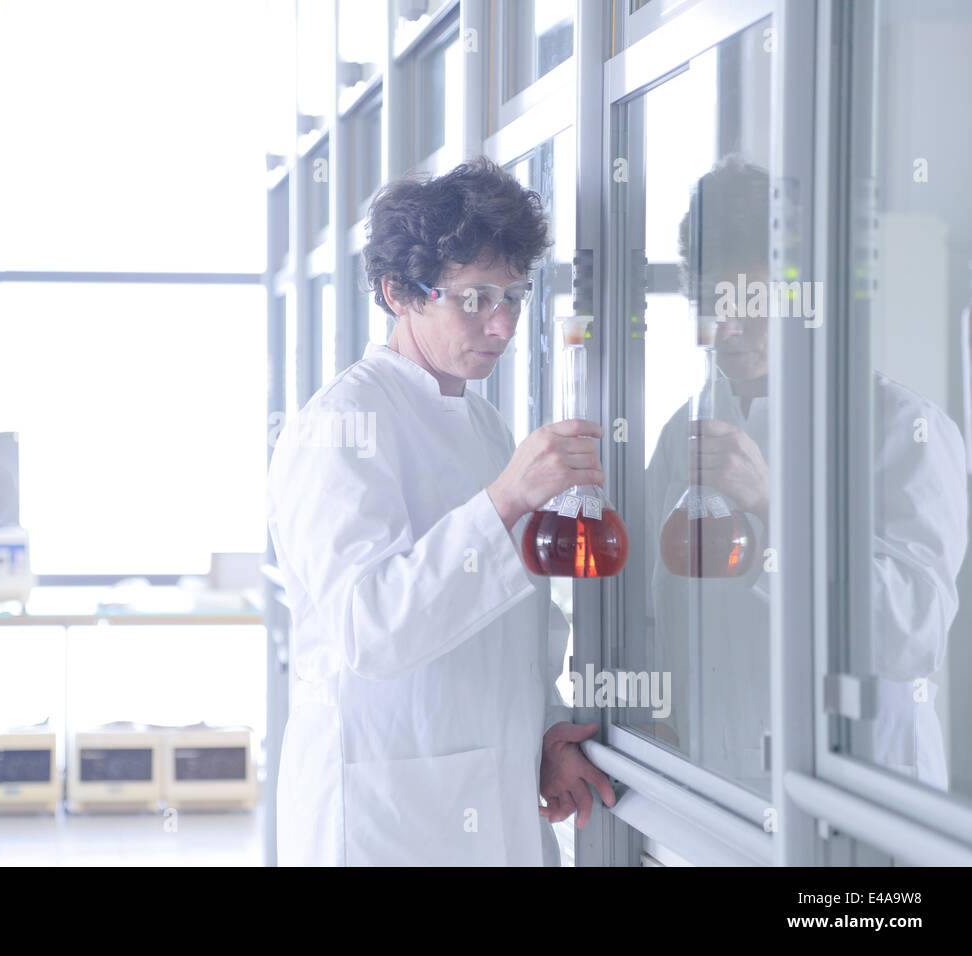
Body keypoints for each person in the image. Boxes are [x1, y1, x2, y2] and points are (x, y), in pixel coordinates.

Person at [267, 157, 615, 866]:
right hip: (385, 813)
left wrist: (543, 735)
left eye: (515, 295)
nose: (504, 324)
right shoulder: (342, 424)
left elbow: (515, 624)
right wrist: (507, 500)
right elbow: (371, 630)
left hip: (487, 789)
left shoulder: (483, 423)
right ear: (400, 293)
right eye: (476, 297)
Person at [645, 156, 966, 791]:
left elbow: (913, 636)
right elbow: (657, 618)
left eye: (751, 300)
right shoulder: (680, 434)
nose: (727, 328)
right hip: (716, 798)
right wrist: (656, 721)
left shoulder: (901, 428)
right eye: (711, 302)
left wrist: (773, 508)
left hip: (858, 807)